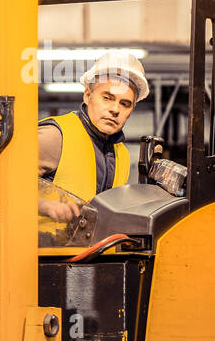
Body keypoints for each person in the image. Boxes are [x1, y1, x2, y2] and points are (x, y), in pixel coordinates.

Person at [38, 49, 149, 223]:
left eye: (125, 104)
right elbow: (3, 185)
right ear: (88, 95)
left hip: (96, 249)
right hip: (42, 249)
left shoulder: (122, 155)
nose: (115, 109)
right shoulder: (55, 136)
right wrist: (46, 206)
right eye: (107, 98)